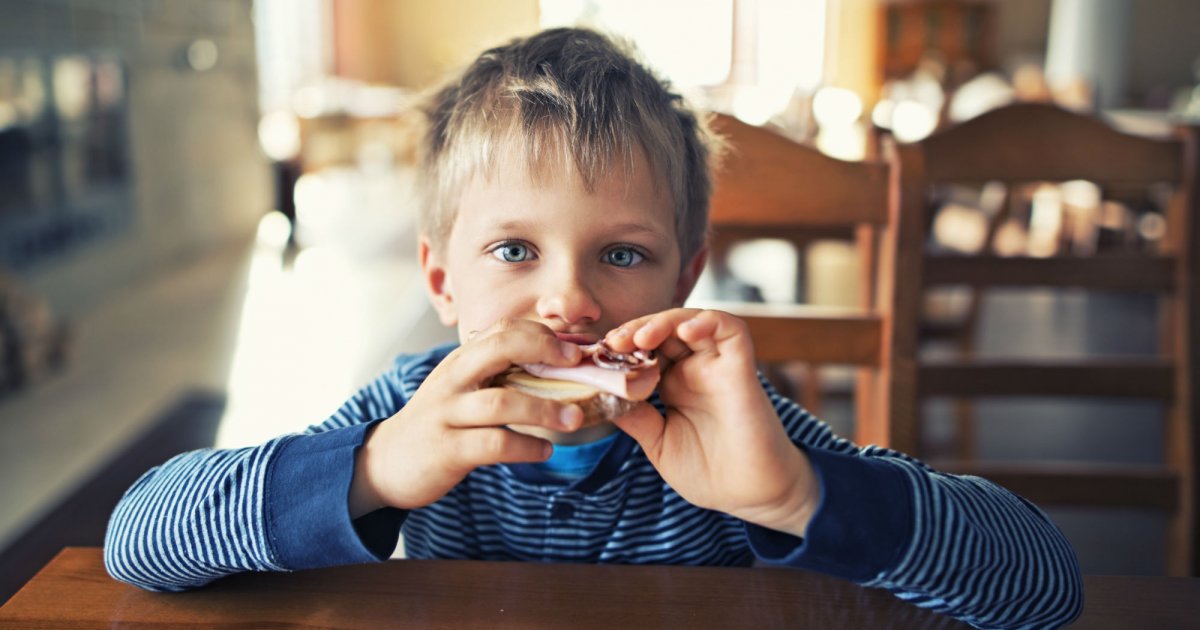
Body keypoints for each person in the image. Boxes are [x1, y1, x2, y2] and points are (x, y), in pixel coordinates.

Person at [105, 28, 1083, 628]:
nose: (568, 302)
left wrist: (795, 495)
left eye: (621, 254)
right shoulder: (413, 413)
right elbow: (139, 542)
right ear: (442, 280)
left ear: (685, 276)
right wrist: (375, 470)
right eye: (514, 250)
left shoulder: (729, 431)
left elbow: (1045, 589)